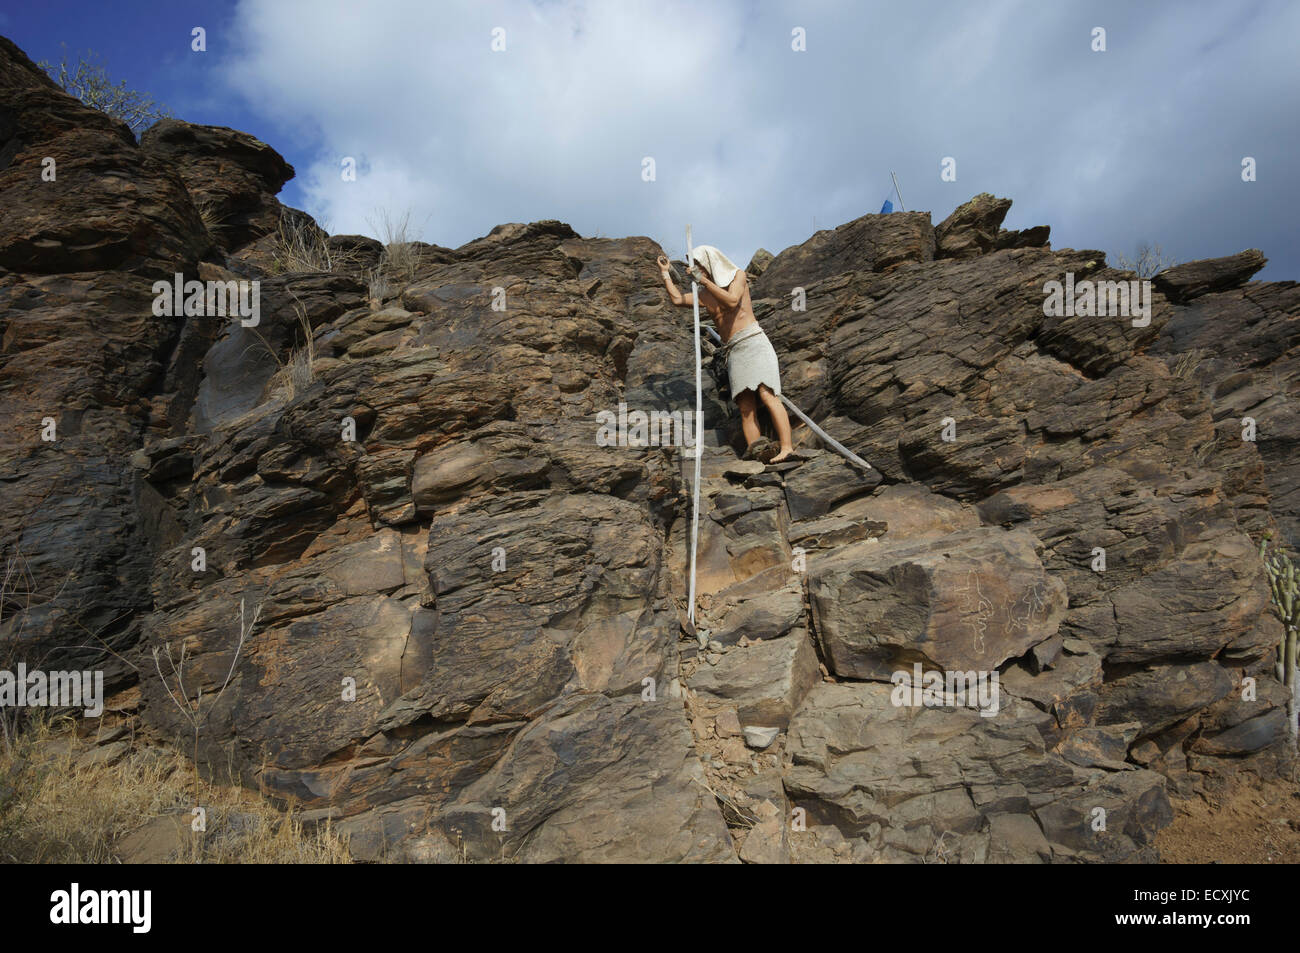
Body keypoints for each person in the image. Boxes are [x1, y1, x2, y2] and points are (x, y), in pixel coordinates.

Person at [656, 246, 797, 463]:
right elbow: (677, 300)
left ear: (710, 262)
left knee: (767, 394)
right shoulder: (704, 295)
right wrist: (665, 273)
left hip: (753, 342)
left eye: (699, 263)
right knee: (745, 406)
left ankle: (787, 448)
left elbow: (731, 301)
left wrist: (704, 281)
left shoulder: (737, 277)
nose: (696, 268)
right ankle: (758, 454)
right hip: (734, 350)